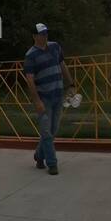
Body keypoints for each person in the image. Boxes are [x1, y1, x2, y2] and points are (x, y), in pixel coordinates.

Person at [24, 23, 69, 176]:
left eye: (46, 33)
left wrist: (71, 83)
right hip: (44, 98)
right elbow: (29, 79)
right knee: (47, 133)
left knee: (53, 130)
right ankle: (52, 164)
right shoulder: (31, 55)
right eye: (41, 34)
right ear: (34, 36)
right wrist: (37, 101)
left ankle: (39, 155)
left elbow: (62, 65)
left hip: (58, 94)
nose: (45, 36)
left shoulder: (55, 47)